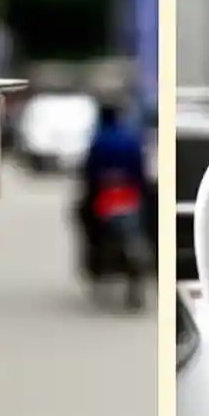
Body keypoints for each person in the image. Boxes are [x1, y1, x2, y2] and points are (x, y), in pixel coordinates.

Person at [77, 103, 150, 307]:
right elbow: (140, 171)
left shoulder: (98, 140)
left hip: (105, 197)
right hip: (130, 195)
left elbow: (88, 173)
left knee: (88, 227)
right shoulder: (131, 138)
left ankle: (97, 268)